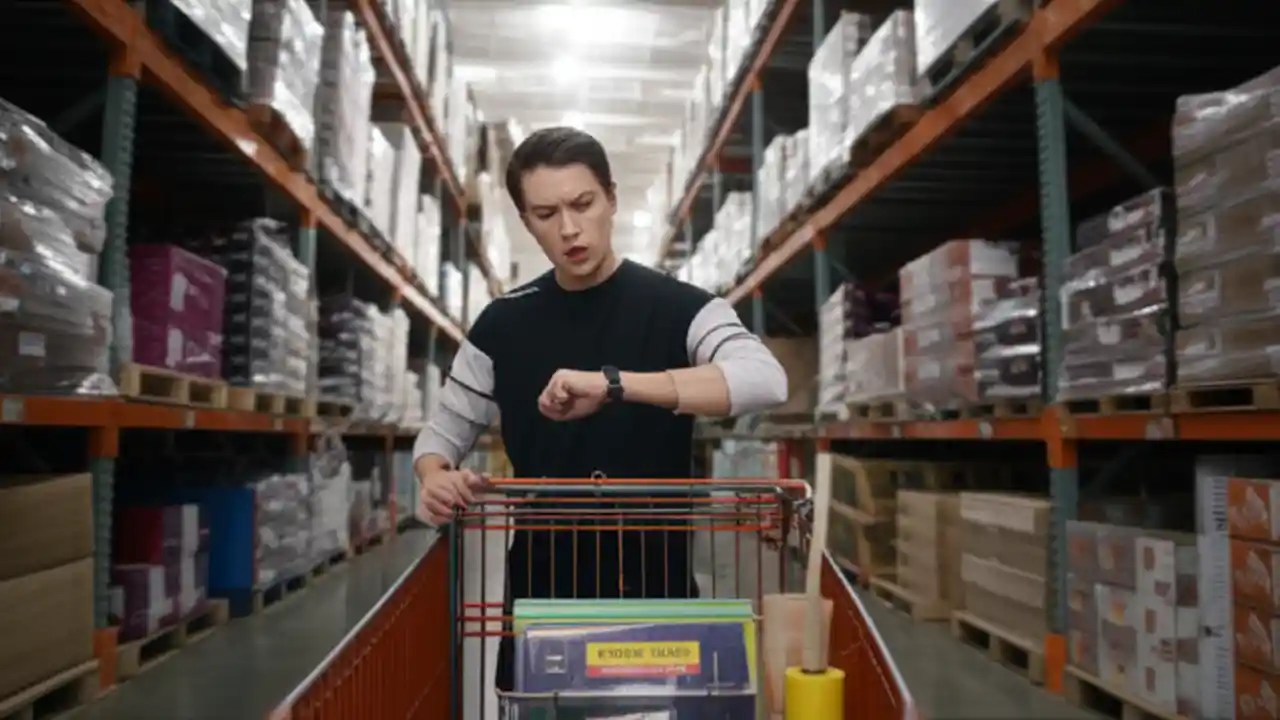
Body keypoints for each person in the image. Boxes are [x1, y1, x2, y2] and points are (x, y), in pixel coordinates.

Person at [412, 126, 788, 692]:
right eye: (545, 214)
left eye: (582, 204)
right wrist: (434, 475)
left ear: (611, 198)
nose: (568, 228)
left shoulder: (682, 309)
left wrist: (616, 385)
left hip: (655, 591)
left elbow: (766, 380)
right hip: (542, 596)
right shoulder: (501, 326)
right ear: (526, 221)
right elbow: (440, 436)